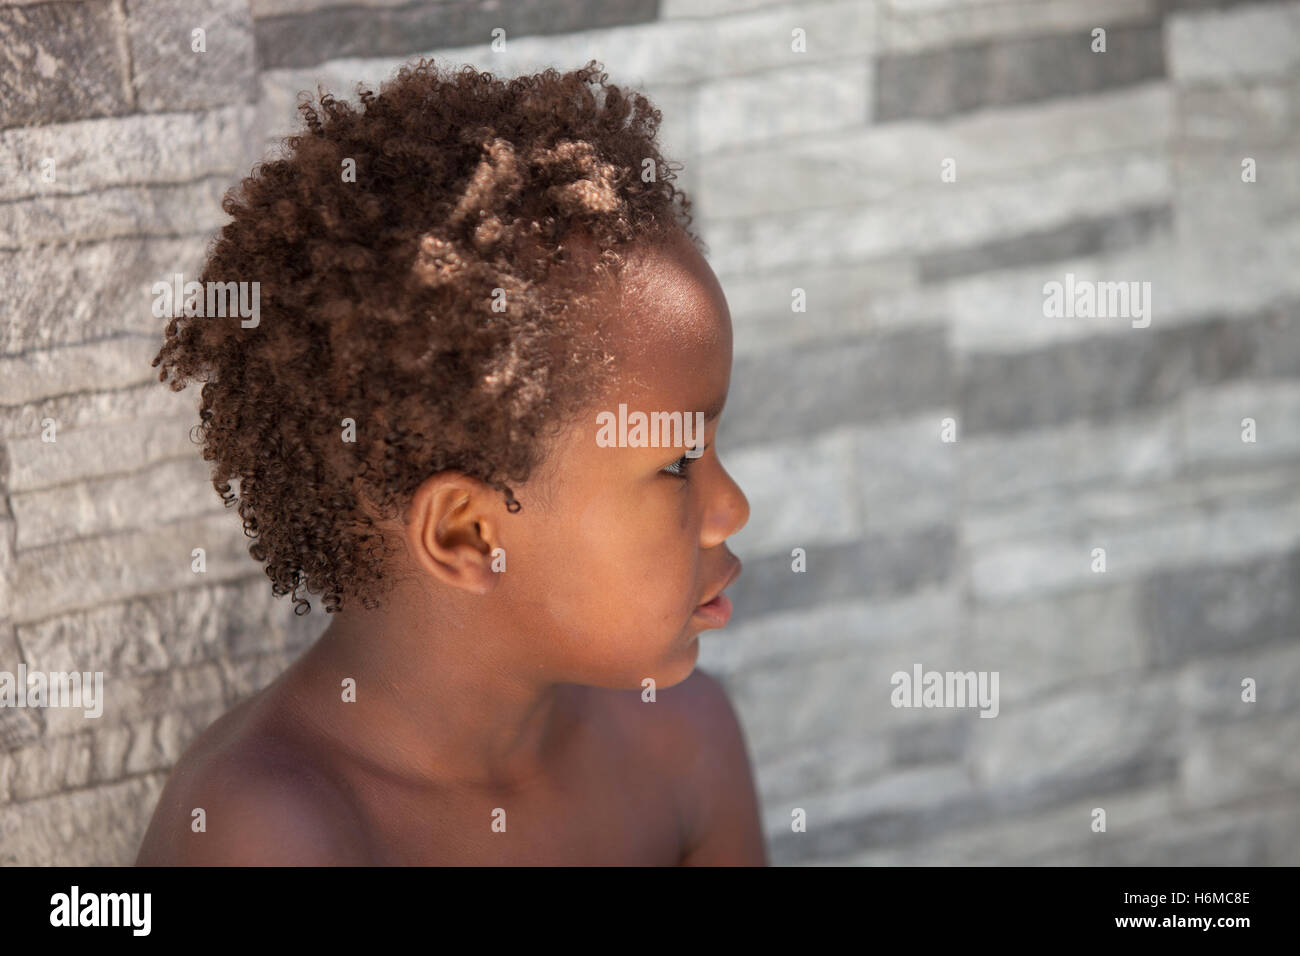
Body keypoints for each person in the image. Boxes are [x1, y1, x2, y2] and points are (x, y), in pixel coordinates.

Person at [136, 58, 766, 865]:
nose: (733, 507)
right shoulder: (270, 835)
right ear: (467, 536)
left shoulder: (681, 739)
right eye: (678, 463)